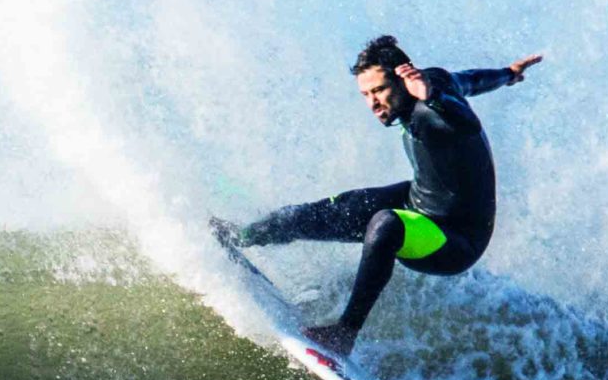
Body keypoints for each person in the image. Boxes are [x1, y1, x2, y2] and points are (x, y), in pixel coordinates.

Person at [214, 35, 544, 356]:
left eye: (379, 90)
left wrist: (431, 99)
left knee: (385, 224)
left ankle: (345, 333)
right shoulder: (439, 81)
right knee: (334, 208)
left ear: (404, 78)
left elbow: (463, 122)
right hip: (420, 200)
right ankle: (241, 235)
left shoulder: (437, 108)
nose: (372, 103)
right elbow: (471, 80)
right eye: (366, 93)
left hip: (455, 239)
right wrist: (508, 75)